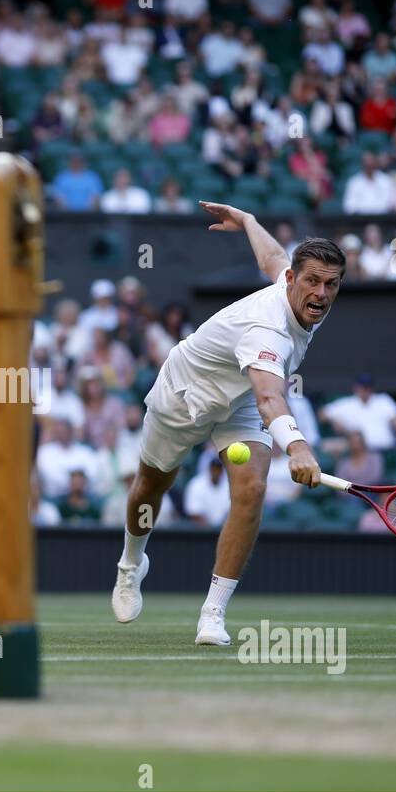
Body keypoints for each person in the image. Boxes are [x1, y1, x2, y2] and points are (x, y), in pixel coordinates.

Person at [112, 202, 343, 647]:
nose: (321, 293)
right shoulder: (269, 329)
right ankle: (130, 565)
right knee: (149, 487)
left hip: (239, 401)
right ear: (295, 282)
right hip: (185, 395)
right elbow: (270, 395)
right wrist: (296, 447)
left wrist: (252, 223)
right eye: (312, 281)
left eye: (331, 284)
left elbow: (274, 259)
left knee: (252, 489)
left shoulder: (295, 287)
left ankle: (212, 613)